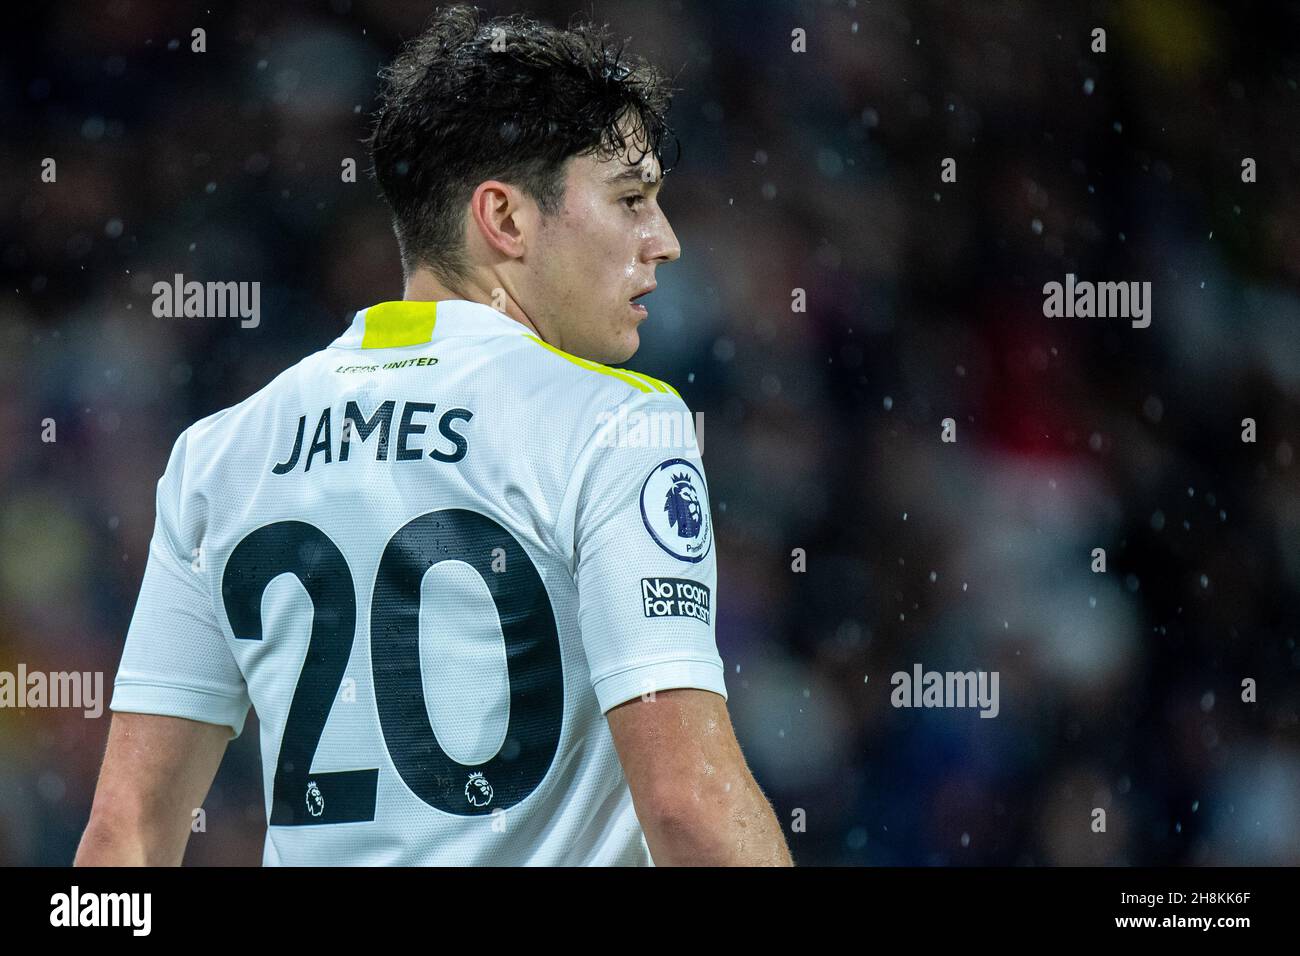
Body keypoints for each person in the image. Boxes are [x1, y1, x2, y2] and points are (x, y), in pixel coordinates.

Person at [76, 4, 791, 866]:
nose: (664, 242)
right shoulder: (616, 426)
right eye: (631, 199)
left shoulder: (220, 451)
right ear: (507, 220)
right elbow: (689, 808)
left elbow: (126, 836)